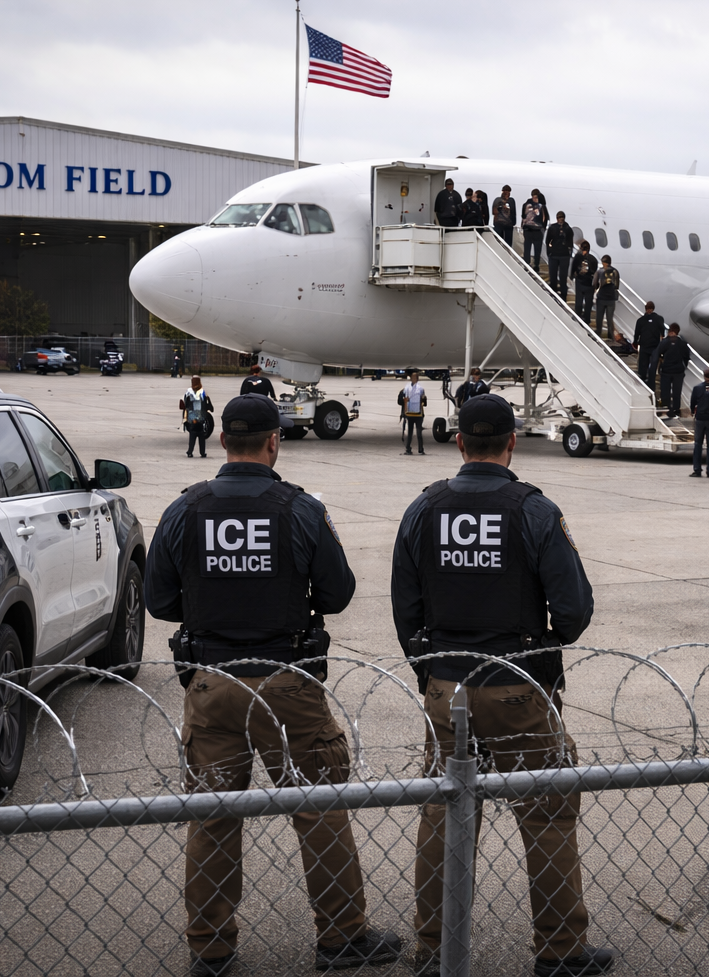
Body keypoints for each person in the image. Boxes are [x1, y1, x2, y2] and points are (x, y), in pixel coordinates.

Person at [145, 395, 402, 976]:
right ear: (273, 442)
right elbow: (337, 593)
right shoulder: (301, 509)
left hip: (212, 681)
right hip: (286, 681)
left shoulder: (185, 508)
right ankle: (341, 934)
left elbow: (159, 601)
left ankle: (210, 945)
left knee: (212, 814)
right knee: (318, 806)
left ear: (221, 441)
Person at [390, 394, 612, 977]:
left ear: (459, 442)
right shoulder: (534, 511)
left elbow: (405, 608)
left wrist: (432, 671)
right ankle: (560, 949)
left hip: (447, 685)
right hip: (518, 686)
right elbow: (573, 612)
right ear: (512, 442)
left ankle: (433, 947)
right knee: (546, 814)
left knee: (443, 813)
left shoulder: (423, 509)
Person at [655, 324, 690, 419]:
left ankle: (666, 408)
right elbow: (686, 357)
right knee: (677, 392)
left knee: (665, 391)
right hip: (678, 371)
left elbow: (657, 353)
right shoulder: (683, 344)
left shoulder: (664, 342)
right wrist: (684, 367)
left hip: (666, 370)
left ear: (670, 331)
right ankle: (676, 409)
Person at [633, 302, 665, 389]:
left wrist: (635, 342)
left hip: (644, 345)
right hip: (655, 346)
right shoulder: (659, 319)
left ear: (646, 309)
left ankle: (642, 383)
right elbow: (662, 331)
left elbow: (637, 333)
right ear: (653, 308)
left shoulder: (640, 320)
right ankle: (651, 385)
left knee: (643, 365)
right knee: (653, 367)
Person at [181, 375, 215, 458]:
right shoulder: (203, 393)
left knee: (192, 436)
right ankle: (202, 452)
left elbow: (185, 406)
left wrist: (185, 420)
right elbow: (209, 406)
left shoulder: (188, 393)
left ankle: (190, 452)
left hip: (192, 419)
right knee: (201, 437)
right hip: (201, 418)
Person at [546, 211, 575, 299]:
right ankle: (554, 293)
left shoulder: (567, 229)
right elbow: (548, 241)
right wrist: (549, 252)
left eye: (562, 217)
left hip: (563, 255)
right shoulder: (553, 228)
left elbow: (570, 242)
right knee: (553, 276)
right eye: (559, 218)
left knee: (563, 277)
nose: (561, 219)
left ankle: (563, 295)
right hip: (555, 254)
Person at [400, 369, 428, 455]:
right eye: (412, 377)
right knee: (410, 433)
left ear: (417, 379)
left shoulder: (420, 388)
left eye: (415, 377)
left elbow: (424, 401)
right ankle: (408, 449)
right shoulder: (407, 387)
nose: (413, 379)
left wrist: (423, 399)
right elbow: (403, 397)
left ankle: (421, 449)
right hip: (410, 413)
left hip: (418, 414)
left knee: (419, 433)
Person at [570, 241, 598, 325]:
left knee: (579, 300)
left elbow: (574, 267)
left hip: (581, 281)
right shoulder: (593, 259)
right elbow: (595, 271)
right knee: (588, 303)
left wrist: (572, 275)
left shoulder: (578, 257)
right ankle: (586, 319)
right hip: (589, 283)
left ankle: (578, 316)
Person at [593, 256, 620, 340]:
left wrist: (597, 289)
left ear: (604, 263)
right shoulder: (615, 271)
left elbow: (594, 283)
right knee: (609, 318)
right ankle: (611, 336)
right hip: (611, 299)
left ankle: (598, 333)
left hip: (601, 297)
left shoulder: (599, 271)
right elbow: (617, 286)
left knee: (599, 317)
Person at [521, 190, 547, 270]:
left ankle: (531, 264)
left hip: (531, 229)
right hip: (534, 230)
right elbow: (545, 218)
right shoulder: (541, 205)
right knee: (533, 249)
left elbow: (523, 216)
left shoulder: (526, 204)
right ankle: (531, 264)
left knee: (531, 249)